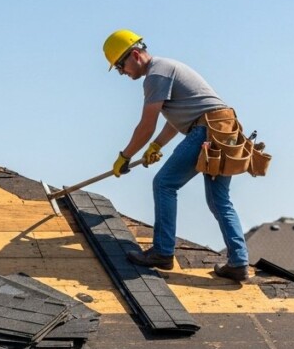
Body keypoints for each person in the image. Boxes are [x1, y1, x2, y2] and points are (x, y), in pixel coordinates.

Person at [103, 29, 250, 282]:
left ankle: (162, 252)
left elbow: (146, 126)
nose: (122, 72)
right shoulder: (166, 69)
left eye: (120, 66)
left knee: (164, 184)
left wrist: (124, 156)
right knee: (219, 200)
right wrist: (156, 146)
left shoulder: (155, 74)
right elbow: (176, 120)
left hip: (207, 130)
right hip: (224, 129)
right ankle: (238, 262)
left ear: (135, 55)